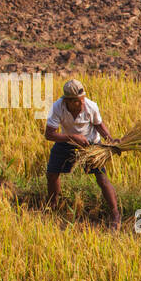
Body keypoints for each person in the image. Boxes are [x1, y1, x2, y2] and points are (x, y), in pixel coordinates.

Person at [44, 78, 121, 230]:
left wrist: (110, 140)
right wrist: (72, 137)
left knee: (102, 179)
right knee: (52, 174)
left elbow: (99, 125)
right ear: (68, 101)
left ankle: (115, 214)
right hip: (67, 142)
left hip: (90, 144)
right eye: (78, 101)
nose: (82, 103)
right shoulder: (58, 107)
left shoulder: (90, 106)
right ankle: (52, 205)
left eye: (82, 99)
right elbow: (49, 134)